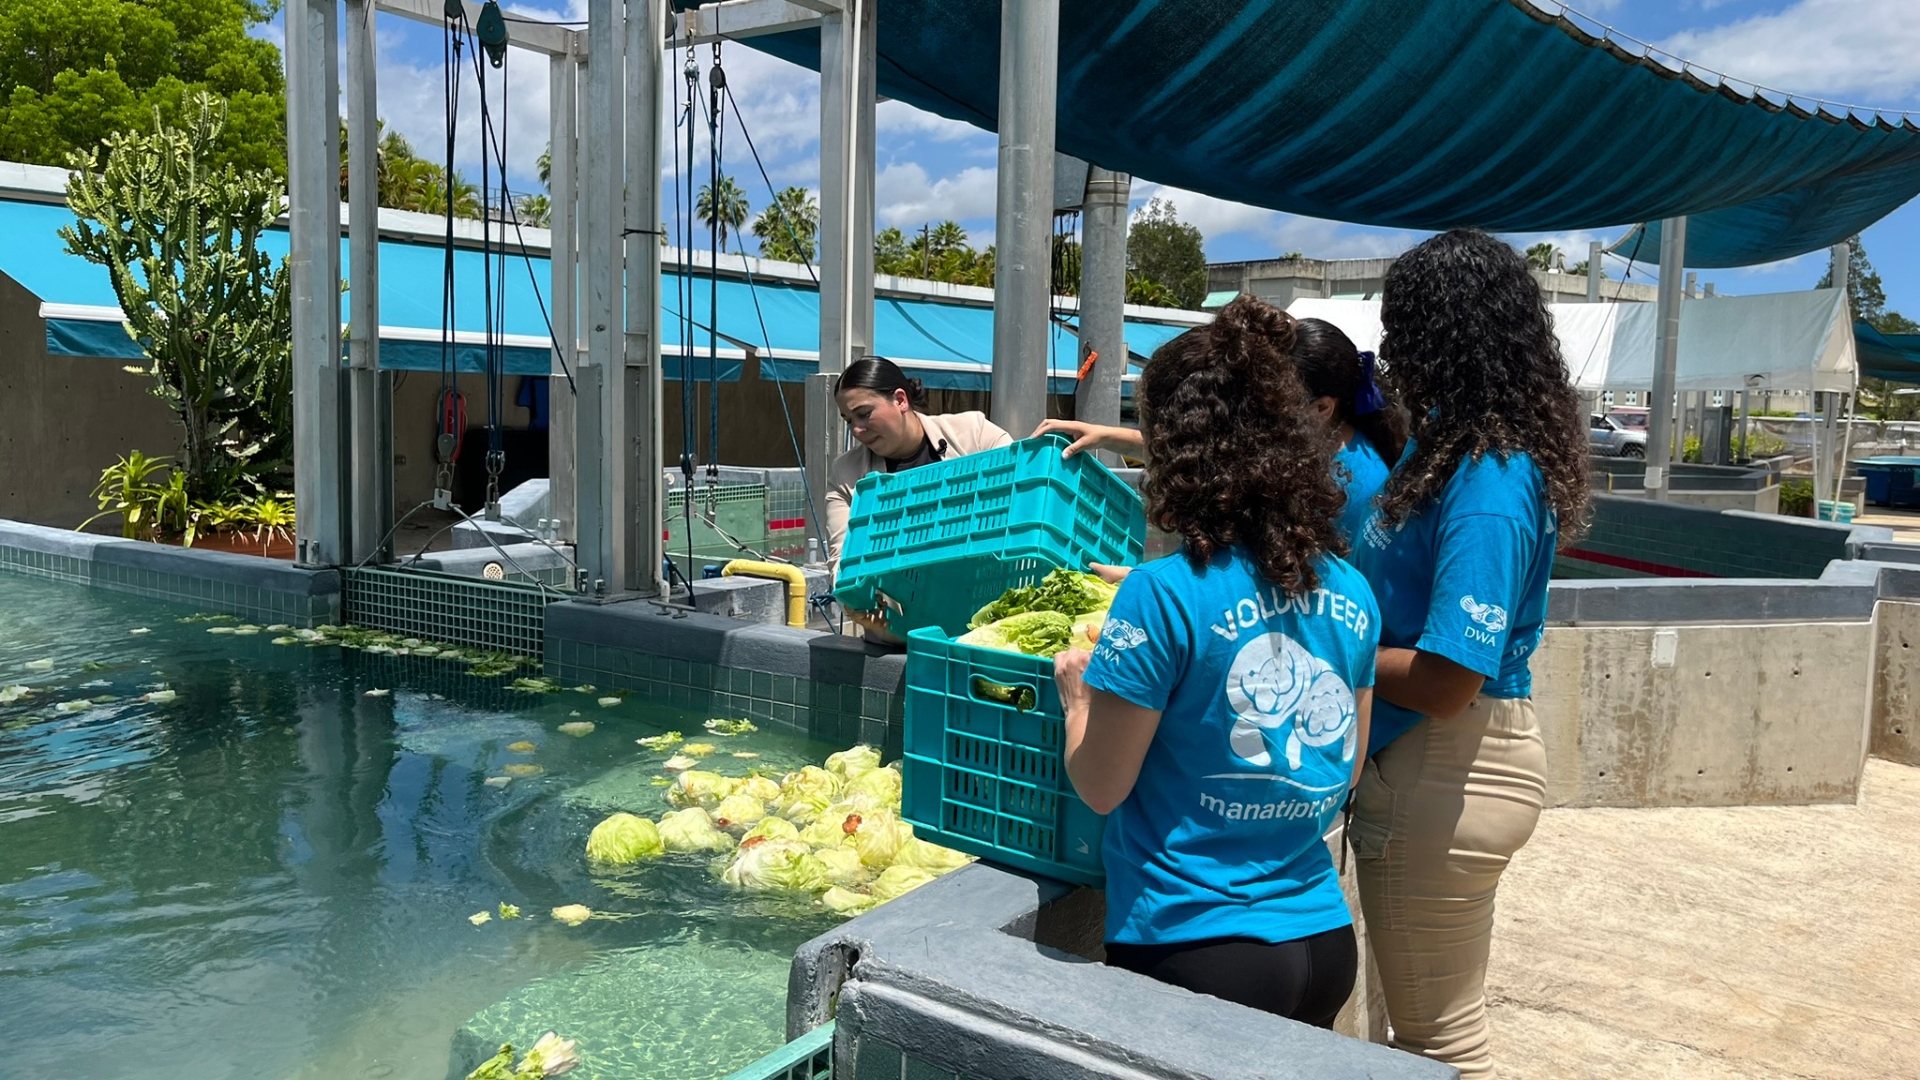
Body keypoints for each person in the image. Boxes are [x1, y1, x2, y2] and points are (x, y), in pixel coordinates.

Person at [1050, 296, 1379, 1027]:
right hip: (1322, 938)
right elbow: (1343, 767)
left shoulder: (1161, 595)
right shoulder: (1350, 588)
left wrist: (1078, 705)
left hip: (1195, 942)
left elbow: (1102, 787)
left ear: (1177, 449)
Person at [1346, 229, 1589, 1078]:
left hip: (1448, 762)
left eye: (1400, 327)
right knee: (1415, 1024)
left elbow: (1449, 680)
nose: (1390, 350)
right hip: (1433, 764)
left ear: (1438, 334)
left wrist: (1330, 646)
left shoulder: (1490, 475)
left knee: (1439, 1041)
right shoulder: (1445, 445)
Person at [1035, 314, 1404, 548]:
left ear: (1322, 407)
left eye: (1273, 400)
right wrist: (1107, 434)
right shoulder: (1322, 447)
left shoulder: (1347, 488)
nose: (1255, 414)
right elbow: (1216, 449)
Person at [825, 356, 1011, 642]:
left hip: (987, 626)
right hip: (897, 636)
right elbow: (842, 560)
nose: (856, 430)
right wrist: (852, 600)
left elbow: (1015, 495)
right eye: (848, 420)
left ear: (900, 400)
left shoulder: (975, 434)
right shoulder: (846, 475)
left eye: (864, 414)